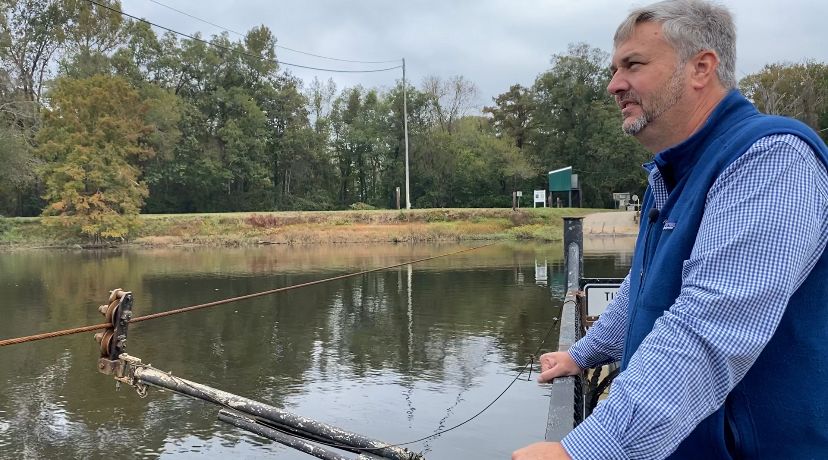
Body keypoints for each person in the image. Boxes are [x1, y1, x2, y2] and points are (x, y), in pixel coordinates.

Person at [512, 0, 828, 459]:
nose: (613, 84)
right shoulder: (673, 174)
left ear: (701, 67)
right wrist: (583, 355)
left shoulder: (772, 159)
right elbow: (643, 291)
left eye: (633, 65)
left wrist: (584, 451)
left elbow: (711, 325)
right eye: (615, 68)